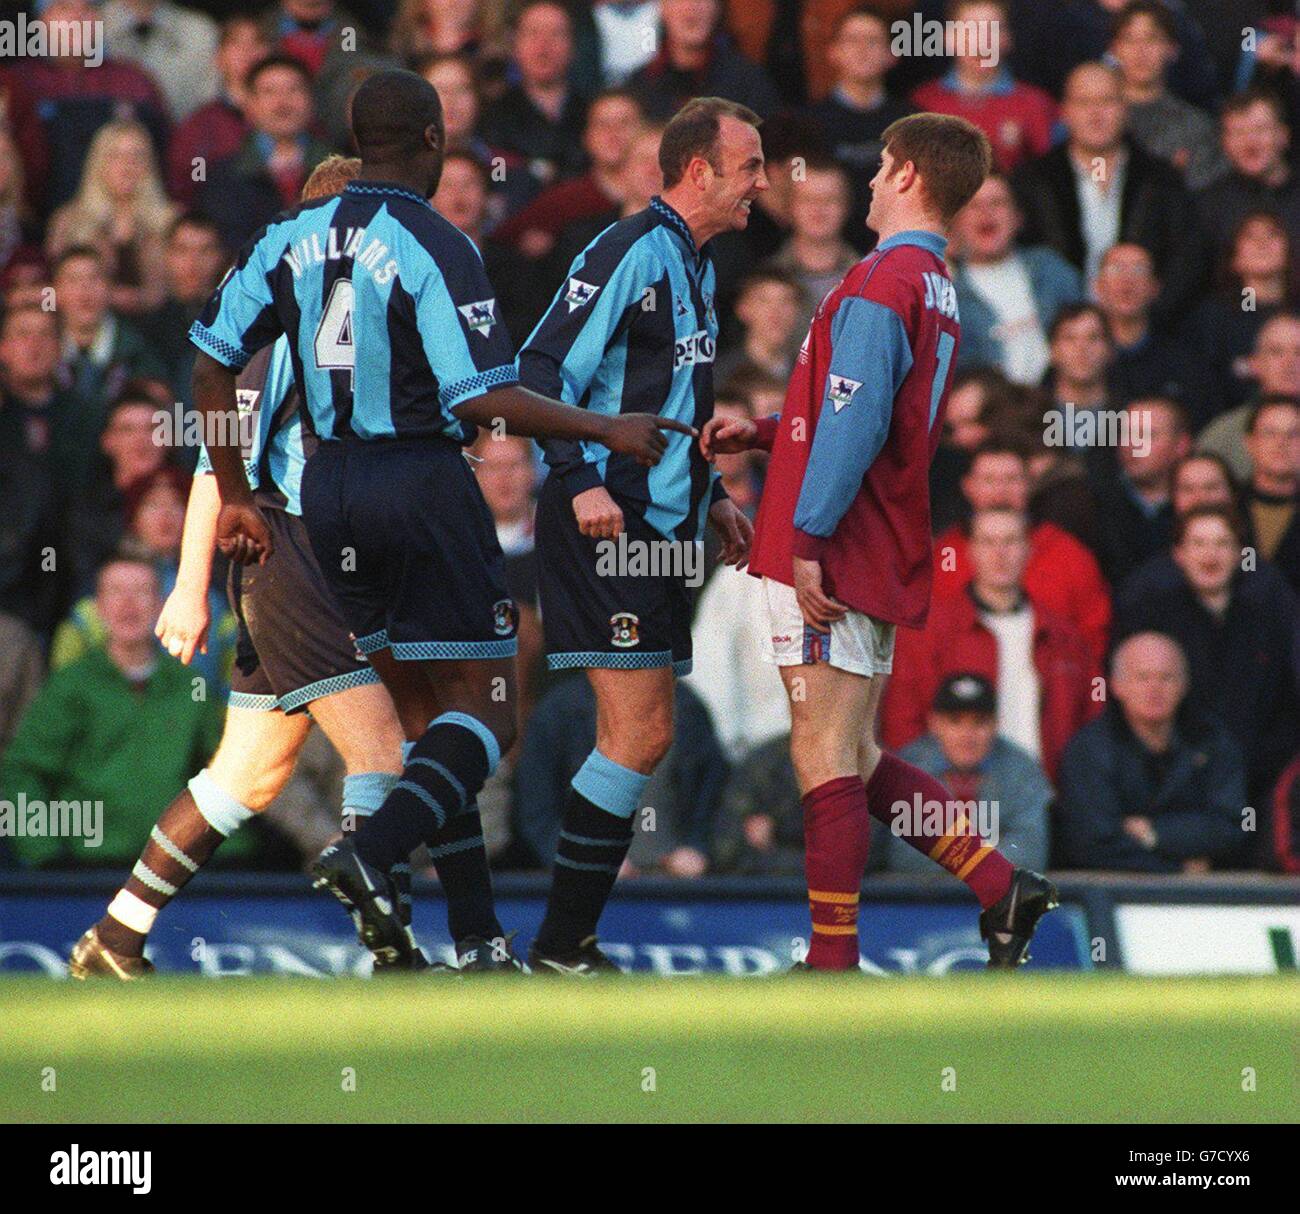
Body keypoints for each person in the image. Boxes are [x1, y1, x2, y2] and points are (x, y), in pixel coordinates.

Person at [188, 69, 690, 972]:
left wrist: (230, 489)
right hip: (419, 482)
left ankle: (476, 936)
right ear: (431, 139)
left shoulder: (286, 233)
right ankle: (370, 856)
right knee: (490, 707)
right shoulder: (435, 241)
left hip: (326, 493)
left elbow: (209, 363)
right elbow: (487, 397)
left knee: (425, 716)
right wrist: (603, 426)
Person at [705, 112, 1057, 971]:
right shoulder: (935, 284)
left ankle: (831, 964)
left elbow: (856, 417)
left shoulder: (878, 283)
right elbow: (863, 409)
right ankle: (1001, 885)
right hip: (882, 536)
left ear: (904, 176)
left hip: (840, 543)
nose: (866, 183)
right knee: (856, 755)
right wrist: (763, 432)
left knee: (820, 751)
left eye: (878, 168)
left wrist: (809, 534)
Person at [514, 96, 762, 974]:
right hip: (604, 524)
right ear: (699, 171)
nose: (762, 185)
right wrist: (576, 476)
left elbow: (676, 405)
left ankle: (563, 940)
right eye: (751, 168)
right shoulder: (625, 250)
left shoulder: (695, 266)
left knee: (644, 736)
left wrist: (716, 495)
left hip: (662, 526)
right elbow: (539, 368)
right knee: (634, 733)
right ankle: (558, 942)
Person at [0, 554, 226, 871]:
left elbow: (221, 774)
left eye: (141, 592)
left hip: (179, 870)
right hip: (88, 869)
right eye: (116, 592)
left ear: (161, 606)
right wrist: (47, 855)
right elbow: (21, 773)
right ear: (98, 608)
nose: (128, 604)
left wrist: (228, 852)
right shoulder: (69, 687)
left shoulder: (190, 687)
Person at [1056, 631, 1250, 872]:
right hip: (1112, 896)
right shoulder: (1089, 750)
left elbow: (1237, 825)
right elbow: (1091, 844)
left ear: (1184, 684)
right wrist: (1178, 868)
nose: (1154, 688)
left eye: (1166, 678)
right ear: (1117, 685)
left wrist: (1154, 833)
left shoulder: (1213, 741)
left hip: (1205, 899)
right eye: (1142, 677)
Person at [874, 673, 1052, 876]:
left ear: (995, 724)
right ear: (934, 723)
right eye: (955, 721)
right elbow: (906, 858)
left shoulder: (1021, 769)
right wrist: (988, 852)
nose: (967, 735)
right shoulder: (908, 767)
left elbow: (1030, 854)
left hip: (1001, 900)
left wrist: (945, 852)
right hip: (921, 901)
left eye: (979, 722)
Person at [949, 173, 1083, 384]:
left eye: (997, 203)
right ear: (957, 224)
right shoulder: (949, 298)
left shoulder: (1050, 268)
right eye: (974, 205)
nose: (986, 213)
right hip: (997, 410)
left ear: (1018, 217)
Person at [910, 0, 1059, 174]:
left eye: (993, 30)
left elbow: (1050, 177)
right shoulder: (923, 101)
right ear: (948, 38)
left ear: (1007, 39)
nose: (983, 41)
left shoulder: (1035, 103)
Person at [1108, 0, 1227, 192]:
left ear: (1172, 50)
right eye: (1130, 39)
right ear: (1114, 49)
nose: (1141, 51)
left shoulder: (1196, 128)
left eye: (1152, 39)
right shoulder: (1095, 121)